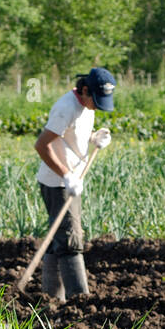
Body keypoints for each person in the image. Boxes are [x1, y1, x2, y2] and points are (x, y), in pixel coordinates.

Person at [33, 67, 115, 303]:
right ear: (85, 89)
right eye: (96, 101)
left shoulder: (86, 104)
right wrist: (67, 175)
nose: (97, 107)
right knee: (70, 240)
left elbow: (70, 136)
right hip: (58, 183)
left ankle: (51, 297)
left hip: (70, 180)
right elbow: (42, 145)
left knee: (58, 237)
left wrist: (94, 138)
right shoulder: (66, 108)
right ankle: (80, 301)